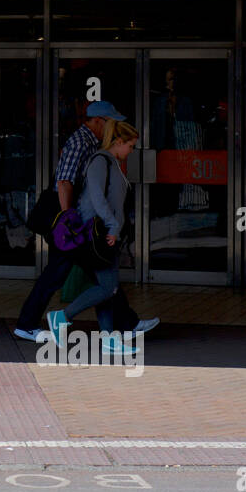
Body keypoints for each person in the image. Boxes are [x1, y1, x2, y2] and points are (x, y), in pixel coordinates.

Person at [14, 101, 142, 339]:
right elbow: (64, 182)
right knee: (69, 273)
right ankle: (32, 323)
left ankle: (124, 324)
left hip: (74, 220)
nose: (114, 128)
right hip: (69, 221)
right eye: (111, 123)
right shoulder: (79, 142)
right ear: (98, 121)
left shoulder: (92, 143)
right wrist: (68, 219)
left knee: (97, 273)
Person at [46, 120, 154, 355]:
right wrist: (113, 225)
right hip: (99, 234)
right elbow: (96, 197)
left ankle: (108, 340)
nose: (131, 151)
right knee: (107, 288)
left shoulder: (110, 162)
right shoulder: (100, 161)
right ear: (119, 141)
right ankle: (62, 317)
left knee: (107, 287)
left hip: (106, 234)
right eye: (131, 146)